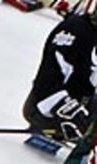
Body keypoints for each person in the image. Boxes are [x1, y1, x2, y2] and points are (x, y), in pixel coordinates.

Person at [23, 2, 97, 142]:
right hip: (47, 108)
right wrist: (65, 107)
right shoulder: (75, 30)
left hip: (82, 105)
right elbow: (48, 78)